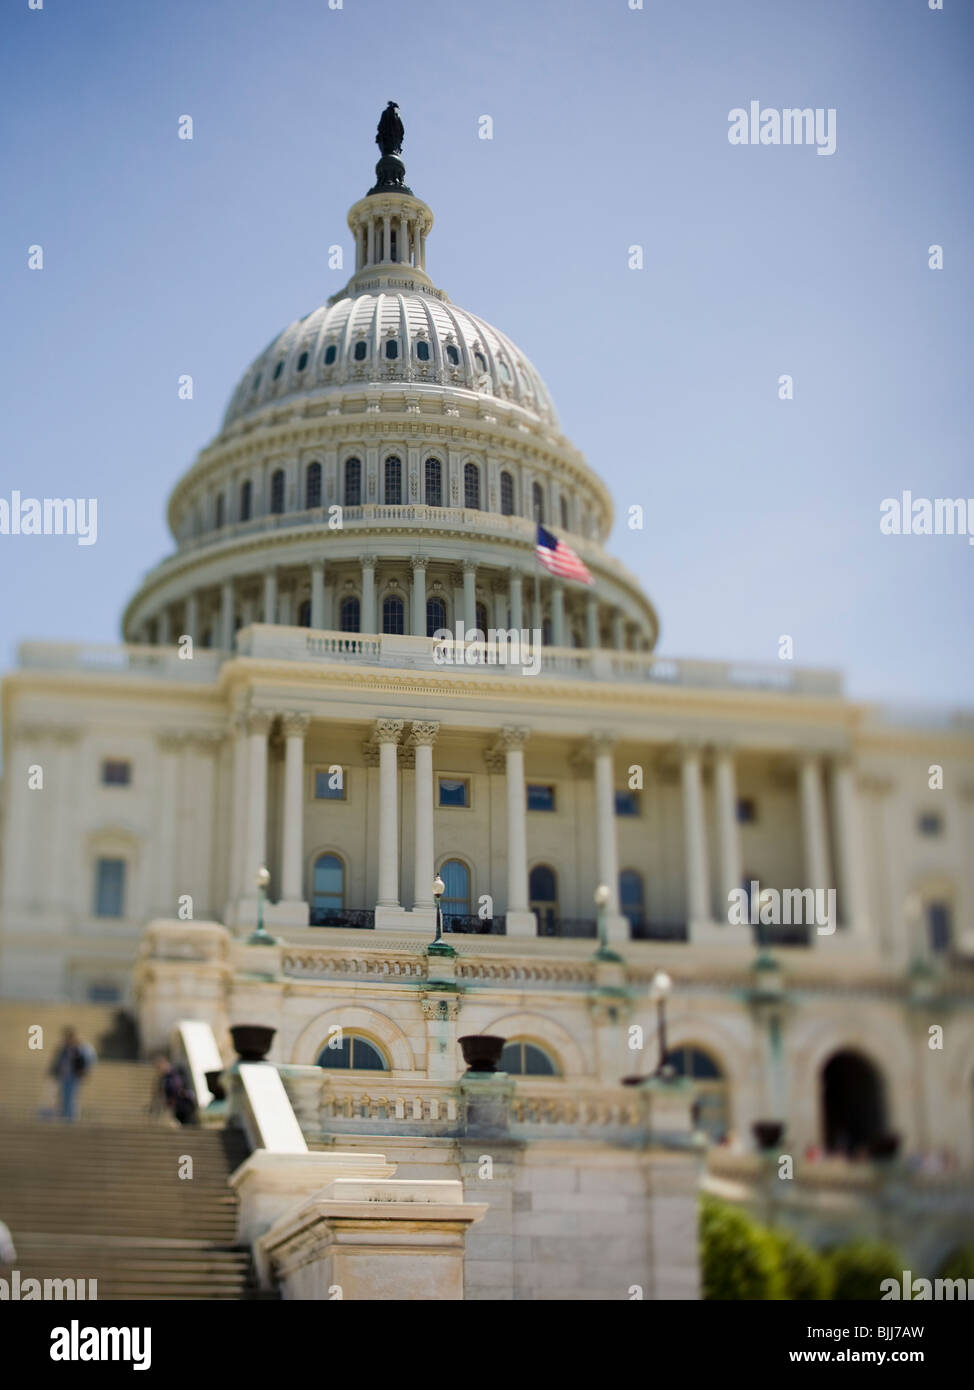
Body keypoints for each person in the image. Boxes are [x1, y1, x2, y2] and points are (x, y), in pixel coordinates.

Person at [50, 1027, 95, 1121]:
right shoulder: (63, 1049)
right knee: (63, 1095)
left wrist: (83, 1072)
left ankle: (70, 1116)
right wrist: (55, 1071)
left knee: (72, 1095)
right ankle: (64, 1114)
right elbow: (58, 1061)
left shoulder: (79, 1049)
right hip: (64, 1075)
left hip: (73, 1076)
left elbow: (84, 1061)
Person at [152, 1056, 198, 1127]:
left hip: (185, 1102)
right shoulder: (165, 1079)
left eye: (159, 1067)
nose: (159, 1070)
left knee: (188, 1123)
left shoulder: (178, 1071)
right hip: (177, 1106)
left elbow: (183, 1086)